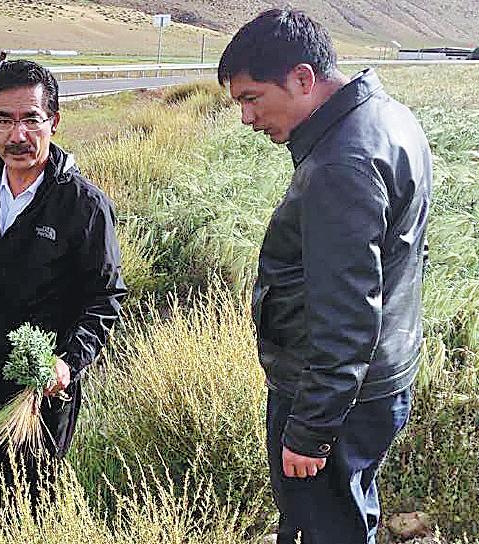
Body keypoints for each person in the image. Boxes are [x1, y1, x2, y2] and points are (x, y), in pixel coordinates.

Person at [217, 9, 431, 544]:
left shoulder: (342, 164)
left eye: (251, 98)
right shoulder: (387, 116)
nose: (246, 118)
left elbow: (347, 313)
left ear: (303, 79)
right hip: (375, 379)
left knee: (324, 526)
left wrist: (311, 431)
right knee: (350, 511)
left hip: (336, 394)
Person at [0, 60, 127, 542]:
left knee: (31, 508)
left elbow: (105, 298)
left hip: (40, 391)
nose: (18, 135)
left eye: (31, 119)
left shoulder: (82, 205)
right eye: (4, 119)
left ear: (54, 122)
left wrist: (68, 363)